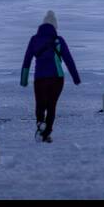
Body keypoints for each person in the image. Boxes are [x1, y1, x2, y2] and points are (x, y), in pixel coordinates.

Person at [20, 10, 80, 142]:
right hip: (57, 78)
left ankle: (40, 123)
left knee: (40, 103)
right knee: (51, 105)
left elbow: (27, 60)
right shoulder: (59, 40)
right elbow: (69, 60)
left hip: (40, 78)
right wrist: (76, 78)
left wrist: (24, 79)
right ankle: (46, 133)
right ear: (55, 26)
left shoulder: (34, 40)